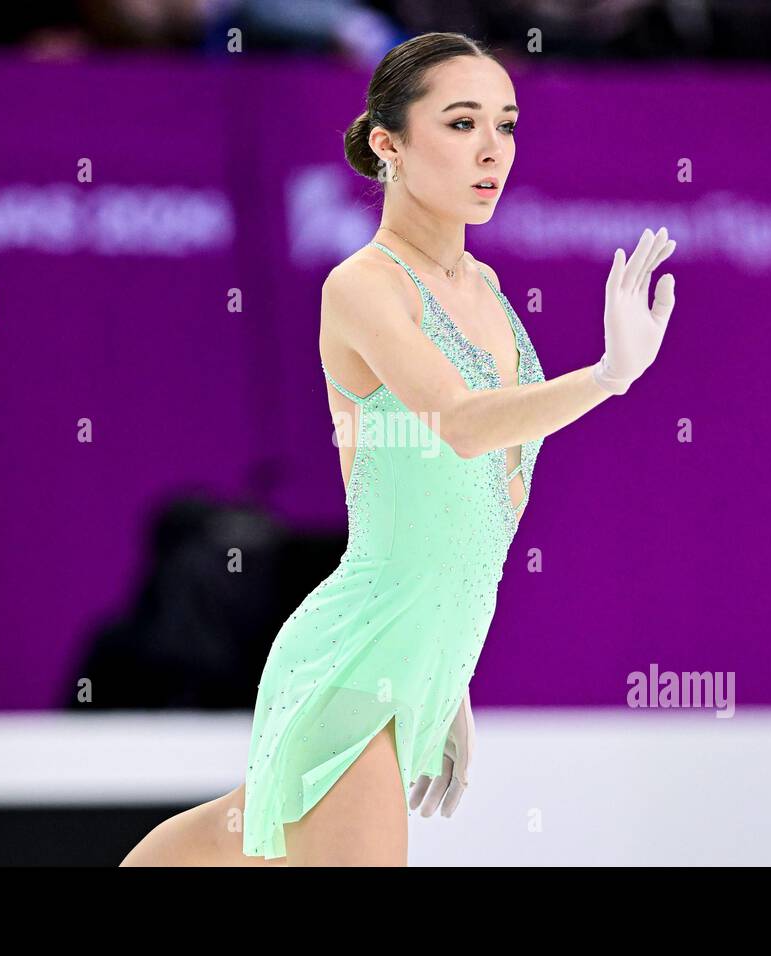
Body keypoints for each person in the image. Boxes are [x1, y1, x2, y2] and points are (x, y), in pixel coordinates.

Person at [120, 30, 675, 867]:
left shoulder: (483, 289)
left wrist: (444, 673)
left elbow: (474, 514)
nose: (493, 149)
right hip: (351, 660)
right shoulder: (365, 285)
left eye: (507, 123)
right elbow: (458, 424)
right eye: (460, 124)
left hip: (415, 666)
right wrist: (608, 377)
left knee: (230, 838)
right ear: (389, 144)